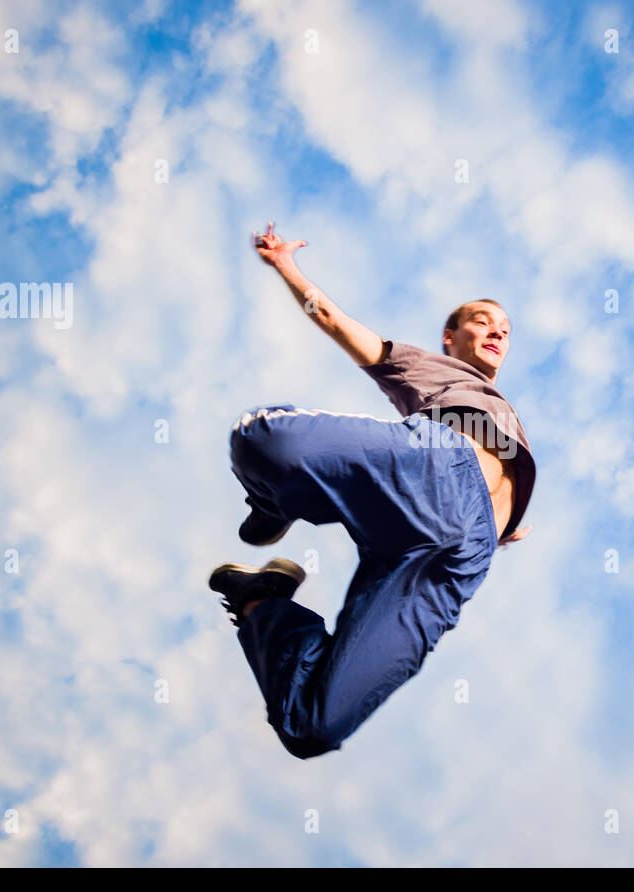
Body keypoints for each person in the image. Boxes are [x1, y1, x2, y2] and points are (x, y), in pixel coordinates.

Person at [210, 222, 536, 759]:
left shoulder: (507, 415)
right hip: (429, 469)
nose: (497, 330)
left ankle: (261, 603)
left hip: (457, 560)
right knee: (261, 438)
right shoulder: (433, 369)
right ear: (450, 338)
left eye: (505, 326)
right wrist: (286, 266)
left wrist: (500, 522)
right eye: (482, 321)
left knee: (312, 728)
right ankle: (274, 500)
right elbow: (337, 324)